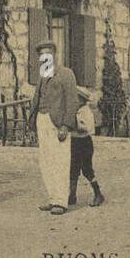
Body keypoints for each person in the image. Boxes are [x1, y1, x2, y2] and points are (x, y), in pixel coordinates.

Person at [27, 41, 78, 215]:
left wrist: (65, 125)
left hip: (58, 123)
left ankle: (61, 201)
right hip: (42, 120)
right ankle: (52, 197)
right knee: (46, 161)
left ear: (55, 55)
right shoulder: (42, 76)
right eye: (41, 55)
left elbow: (72, 101)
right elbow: (36, 99)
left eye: (47, 54)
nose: (44, 58)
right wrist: (32, 125)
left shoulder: (66, 74)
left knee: (60, 161)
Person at [69, 87, 106, 207]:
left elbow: (87, 128)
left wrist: (74, 124)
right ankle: (72, 195)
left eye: (76, 98)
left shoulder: (86, 111)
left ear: (82, 99)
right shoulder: (77, 110)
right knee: (73, 169)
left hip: (84, 142)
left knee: (87, 169)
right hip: (74, 142)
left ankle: (98, 193)